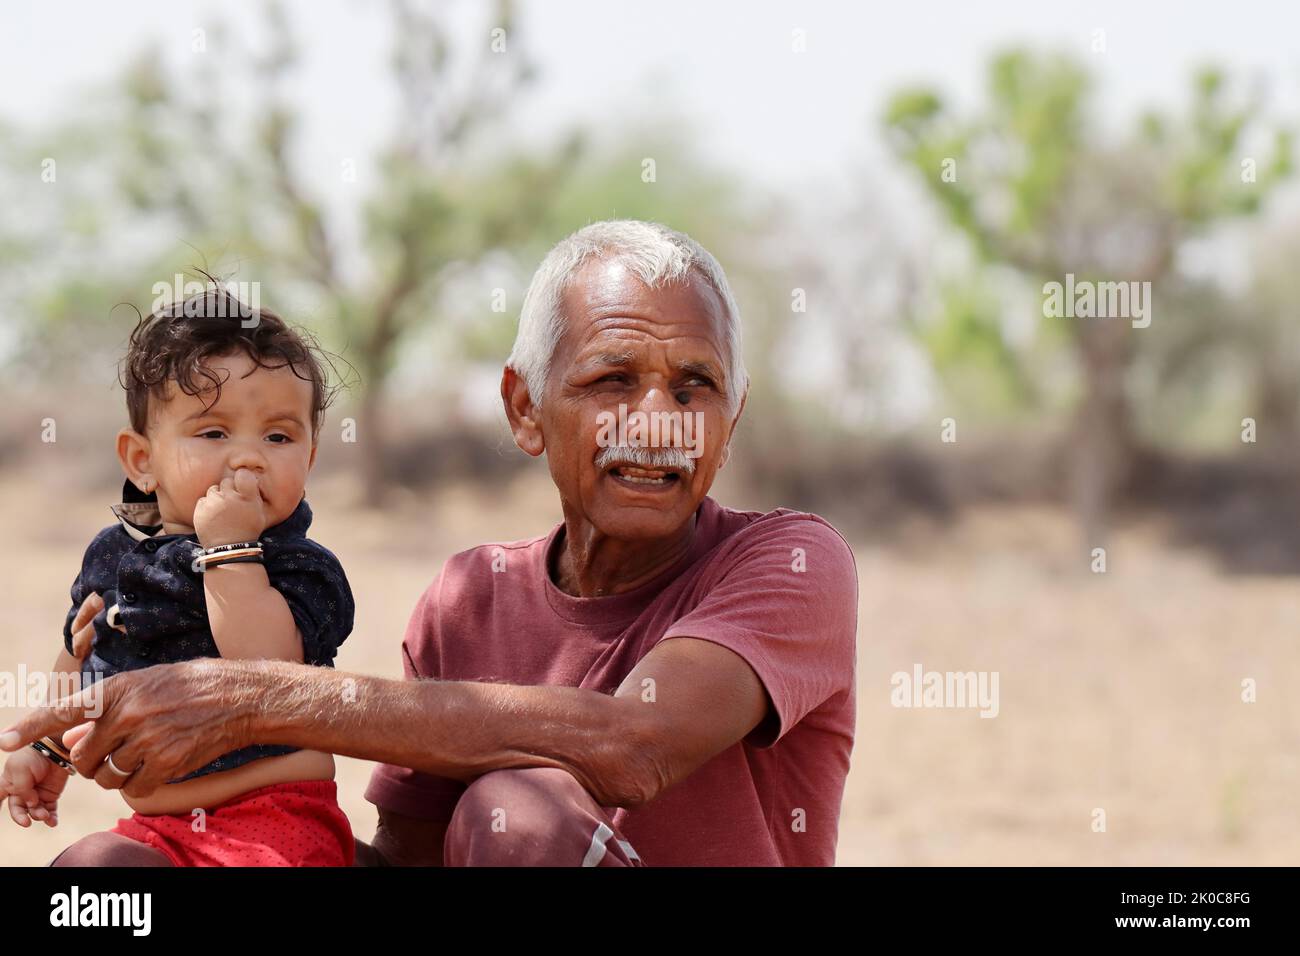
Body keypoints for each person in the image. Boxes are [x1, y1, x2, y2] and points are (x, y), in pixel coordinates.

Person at [3, 220, 858, 867]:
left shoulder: (789, 562)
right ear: (525, 409)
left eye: (696, 387)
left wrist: (247, 698)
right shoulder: (472, 596)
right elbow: (411, 857)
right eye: (613, 380)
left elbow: (634, 743)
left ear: (731, 418)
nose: (658, 422)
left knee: (516, 812)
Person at [0, 286, 356, 866]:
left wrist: (231, 549)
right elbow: (82, 648)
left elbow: (267, 675)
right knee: (87, 868)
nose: (249, 457)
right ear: (143, 462)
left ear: (310, 458)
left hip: (277, 816)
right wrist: (45, 748)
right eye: (214, 433)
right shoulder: (116, 556)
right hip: (157, 828)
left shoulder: (299, 565)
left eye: (279, 436)